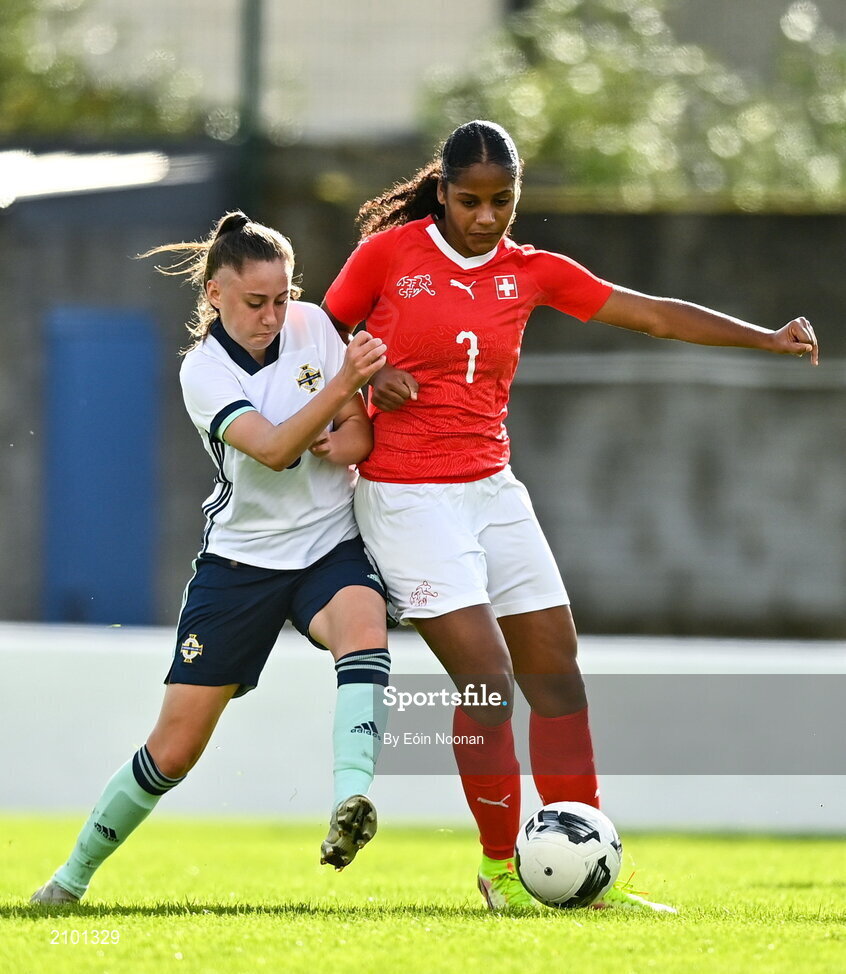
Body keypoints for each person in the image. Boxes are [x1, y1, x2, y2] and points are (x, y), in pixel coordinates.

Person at [321, 120, 819, 913]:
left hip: (493, 489)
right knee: (487, 682)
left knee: (556, 673)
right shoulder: (392, 255)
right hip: (409, 495)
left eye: (503, 202)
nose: (487, 218)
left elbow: (650, 314)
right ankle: (502, 874)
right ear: (442, 192)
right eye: (472, 201)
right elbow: (321, 332)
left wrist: (766, 338)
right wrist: (363, 376)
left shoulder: (532, 270)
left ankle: (584, 871)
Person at [31, 211, 392, 904]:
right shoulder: (202, 372)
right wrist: (343, 390)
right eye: (256, 302)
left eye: (283, 297)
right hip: (241, 566)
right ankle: (68, 881)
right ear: (215, 297)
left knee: (364, 626)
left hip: (327, 546)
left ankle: (352, 803)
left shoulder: (316, 327)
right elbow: (277, 450)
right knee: (174, 751)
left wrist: (351, 436)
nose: (273, 315)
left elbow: (358, 435)